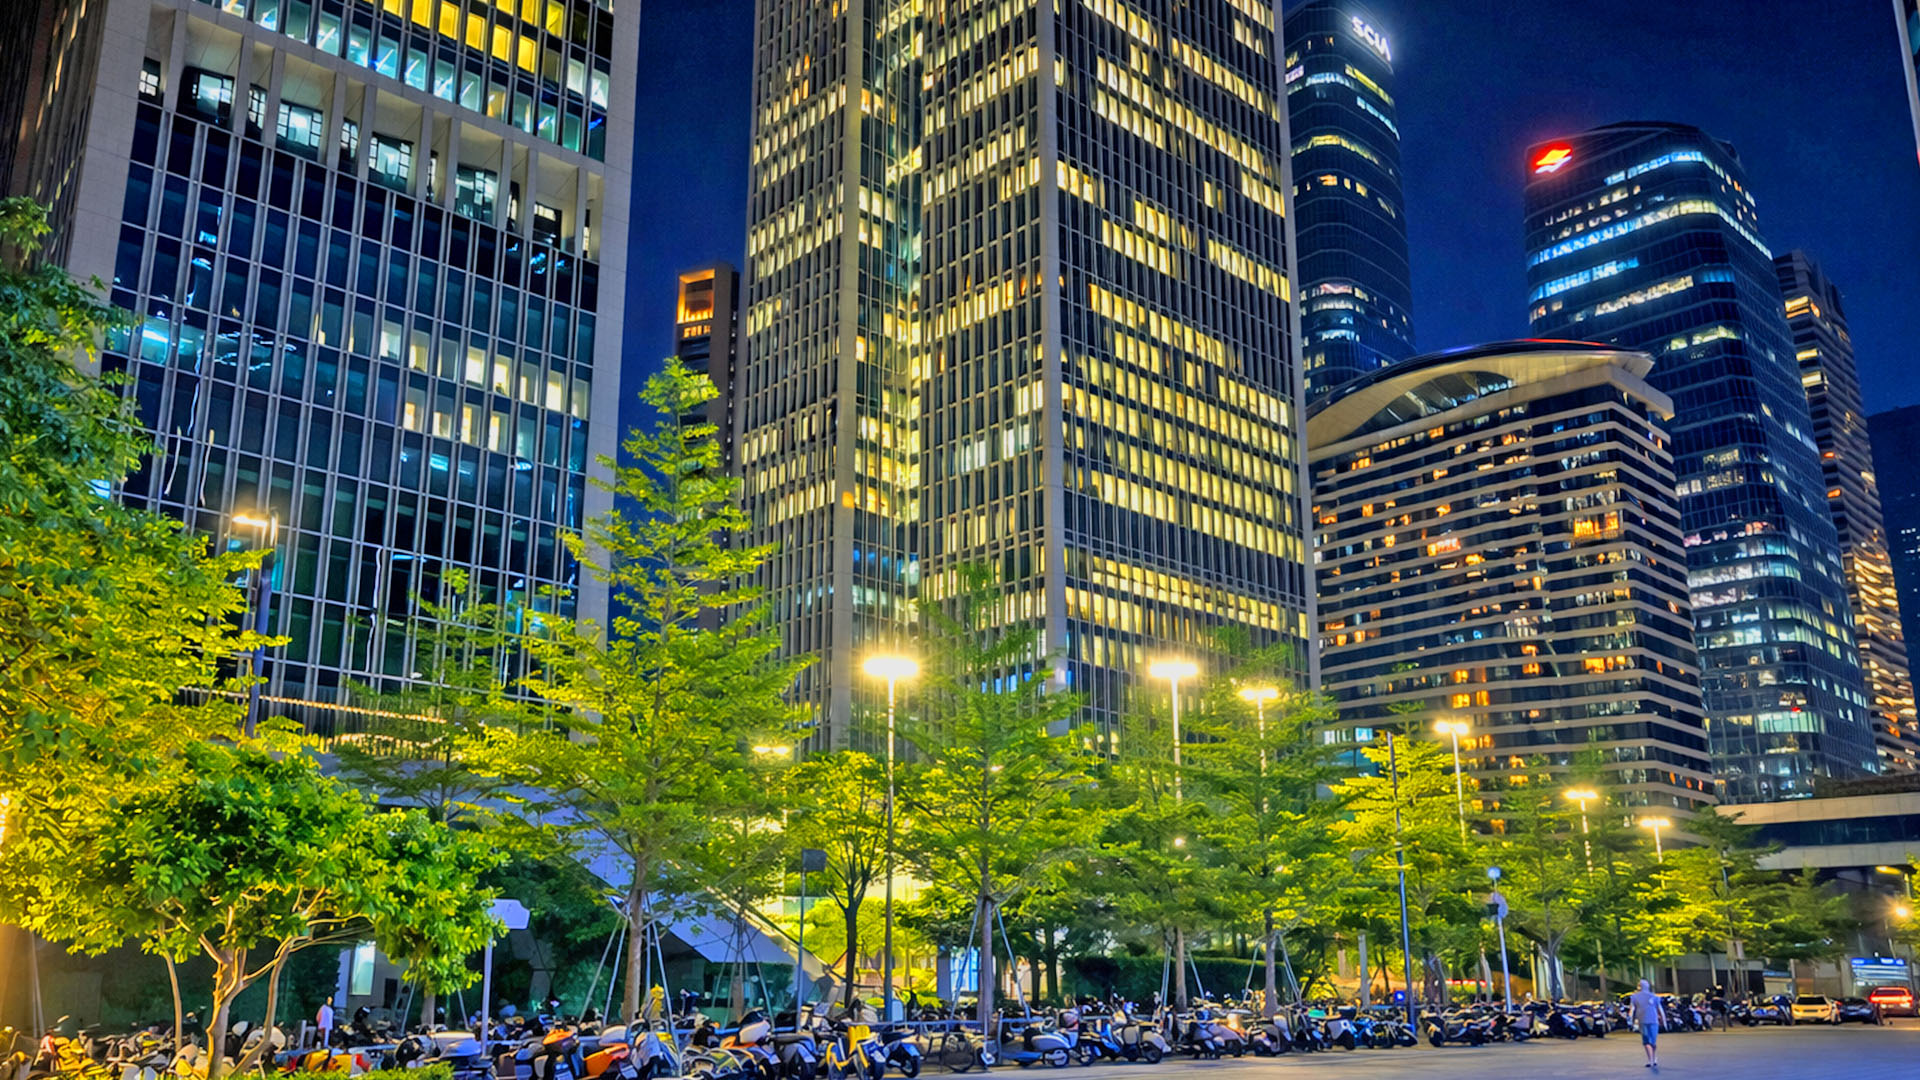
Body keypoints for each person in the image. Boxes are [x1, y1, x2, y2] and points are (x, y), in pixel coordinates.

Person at [1627, 979, 1662, 1069]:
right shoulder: (1635, 997)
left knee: (1652, 1041)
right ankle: (1651, 1060)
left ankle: (1653, 1058)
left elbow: (1660, 1009)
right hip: (1643, 1021)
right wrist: (1631, 1019)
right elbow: (1632, 1009)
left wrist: (1663, 1020)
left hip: (1653, 1021)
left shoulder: (1654, 997)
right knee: (1646, 1041)